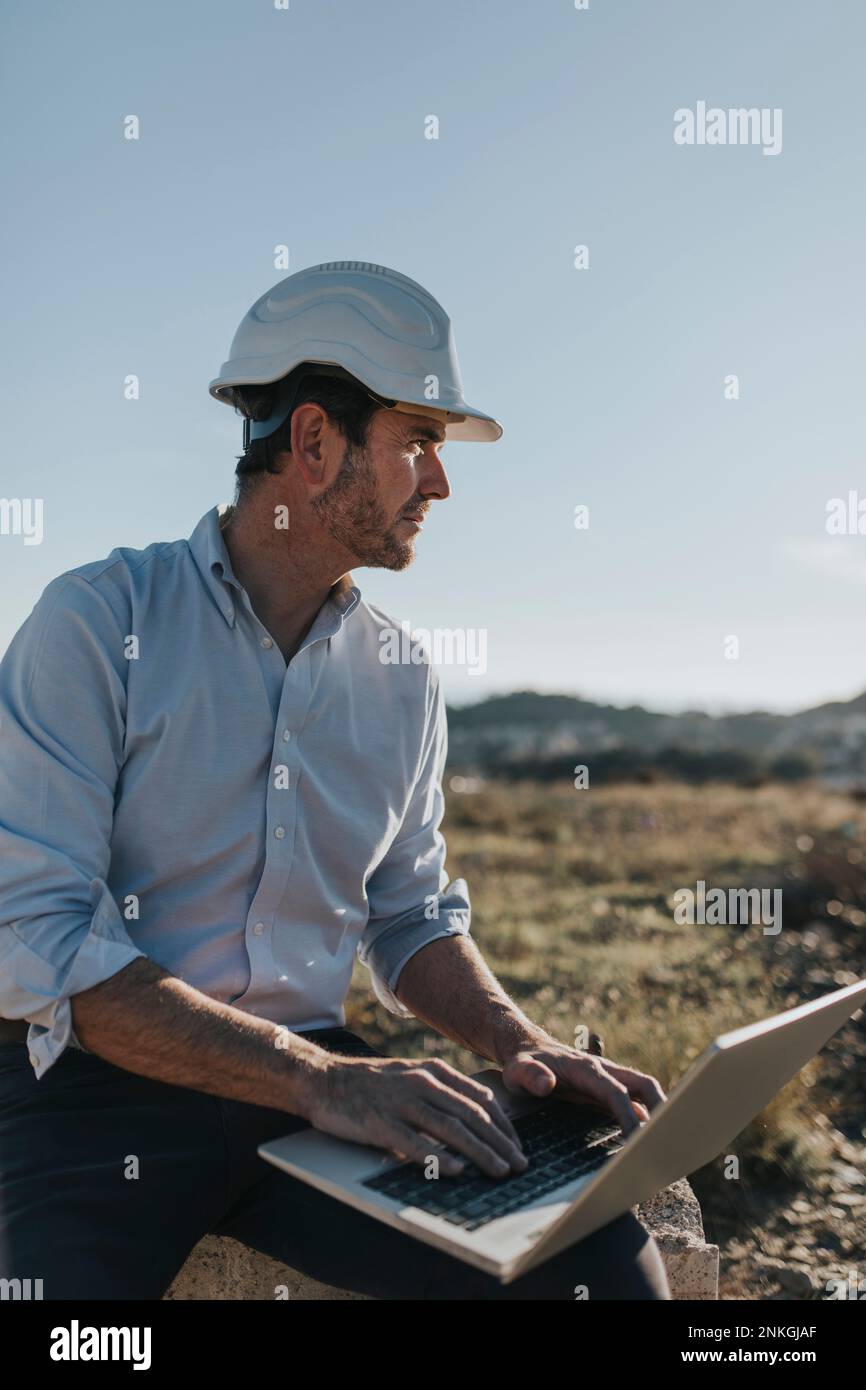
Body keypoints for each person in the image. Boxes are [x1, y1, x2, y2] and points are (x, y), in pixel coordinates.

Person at [0, 261, 670, 1300]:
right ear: (313, 444)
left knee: (596, 1275)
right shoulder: (96, 623)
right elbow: (41, 944)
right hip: (96, 1093)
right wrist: (315, 1077)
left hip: (317, 1098)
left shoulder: (401, 678)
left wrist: (521, 1043)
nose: (439, 483)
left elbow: (409, 915)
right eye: (417, 443)